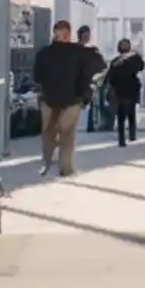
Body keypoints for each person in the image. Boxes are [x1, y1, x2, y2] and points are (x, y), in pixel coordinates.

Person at [33, 20, 90, 177]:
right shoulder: (78, 52)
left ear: (55, 33)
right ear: (69, 34)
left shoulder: (43, 54)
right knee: (68, 134)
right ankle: (66, 168)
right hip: (72, 100)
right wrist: (85, 97)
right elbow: (85, 77)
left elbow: (37, 77)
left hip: (49, 100)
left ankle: (46, 163)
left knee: (48, 133)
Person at [105, 38, 145, 148]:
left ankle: (122, 139)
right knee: (131, 113)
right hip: (132, 90)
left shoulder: (115, 62)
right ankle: (132, 134)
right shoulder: (134, 59)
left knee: (121, 116)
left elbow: (110, 77)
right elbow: (141, 66)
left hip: (120, 91)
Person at [77, 25, 107, 132]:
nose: (86, 37)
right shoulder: (74, 50)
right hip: (77, 82)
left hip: (89, 82)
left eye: (88, 35)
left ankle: (89, 125)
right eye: (85, 35)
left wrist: (97, 77)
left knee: (90, 104)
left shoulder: (93, 51)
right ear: (80, 36)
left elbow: (102, 67)